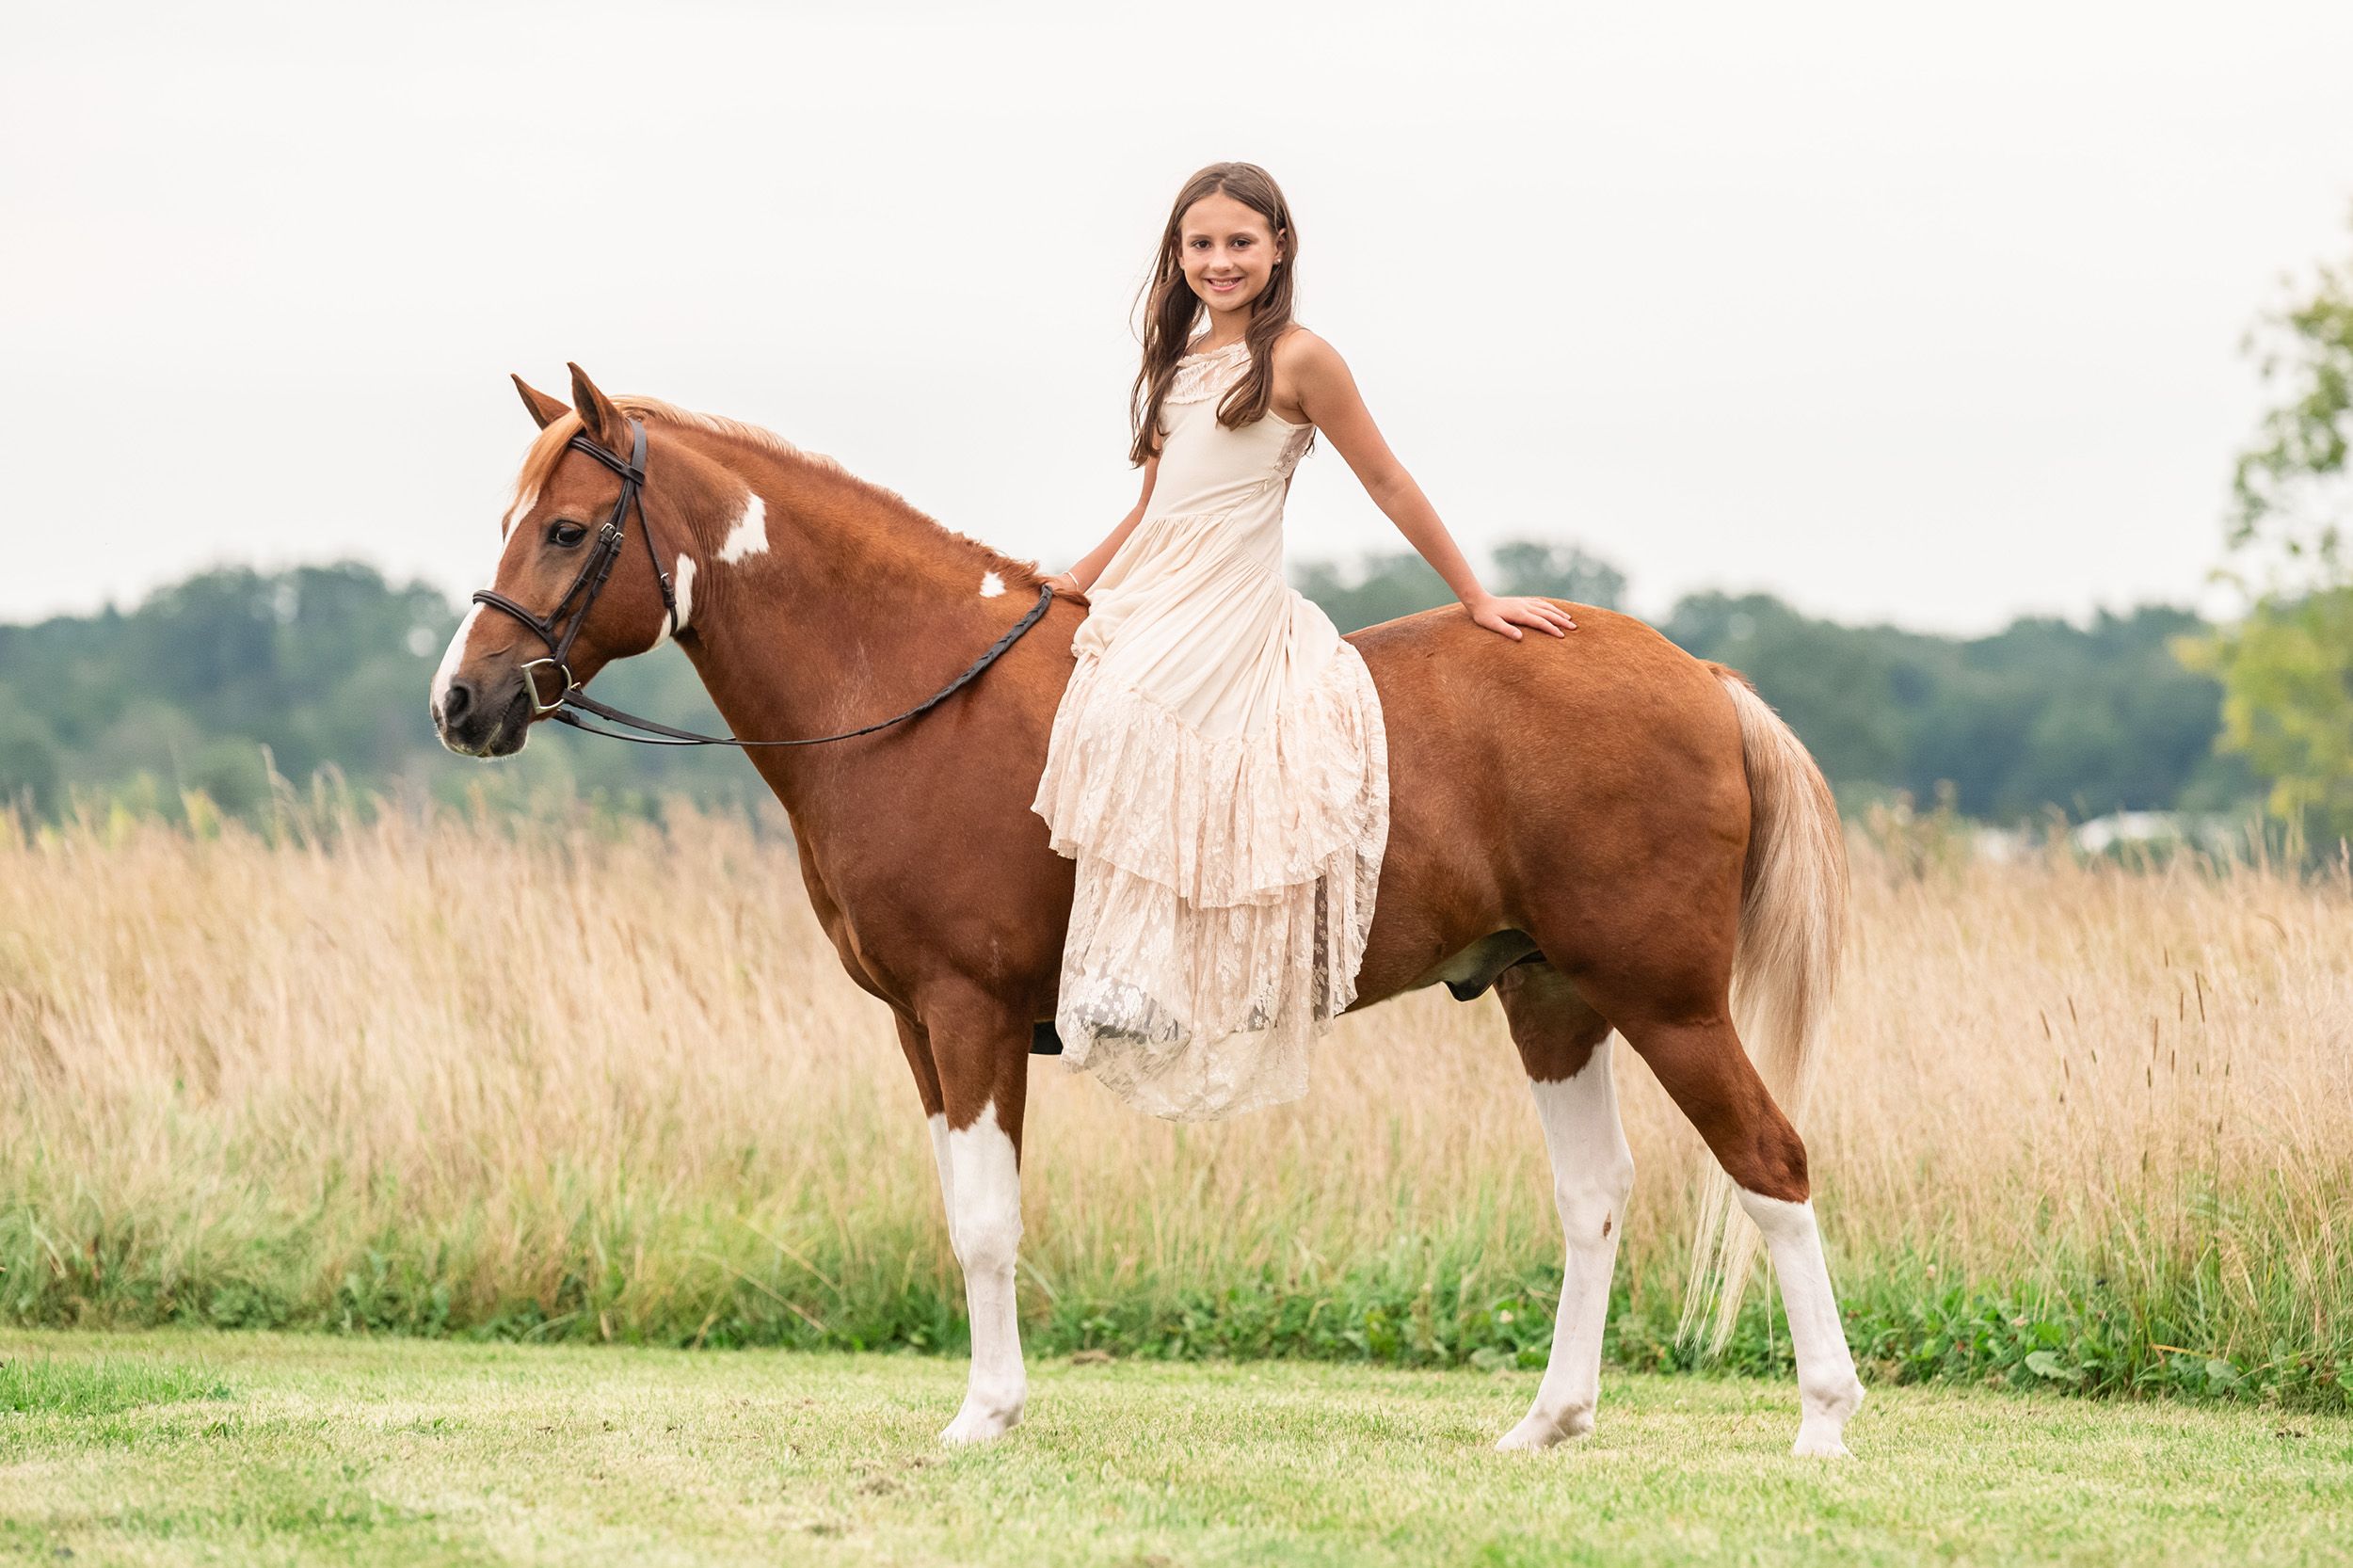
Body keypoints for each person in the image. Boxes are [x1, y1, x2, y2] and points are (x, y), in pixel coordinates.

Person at [1031, 161, 1576, 1121]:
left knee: (1140, 707)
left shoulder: (1299, 359)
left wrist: (1474, 596)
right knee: (1087, 705)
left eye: (1239, 241)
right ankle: (1114, 961)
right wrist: (1075, 582)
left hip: (1230, 601)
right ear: (1178, 255)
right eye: (1200, 244)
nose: (1219, 260)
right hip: (1156, 587)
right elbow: (1152, 507)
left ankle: (1181, 975)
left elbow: (1388, 479)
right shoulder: (1176, 364)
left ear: (1277, 247)